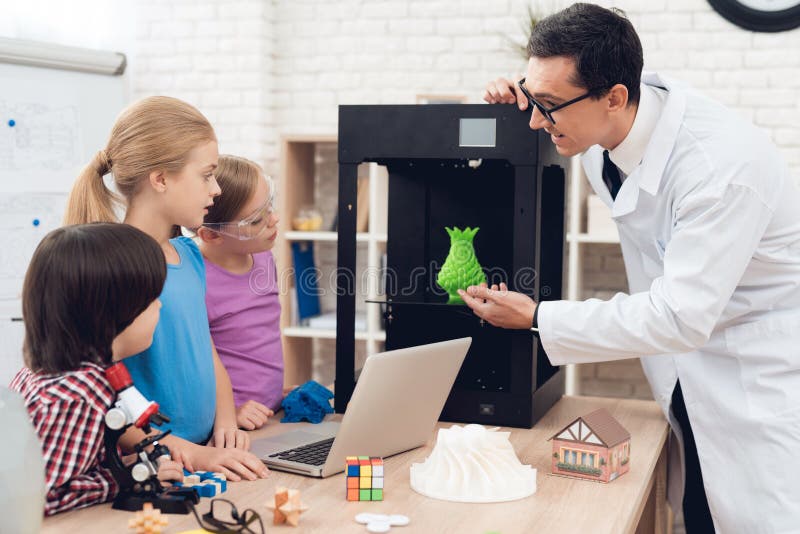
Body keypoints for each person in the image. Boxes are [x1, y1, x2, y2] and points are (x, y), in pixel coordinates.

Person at [463, 4, 800, 533]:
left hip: (753, 375)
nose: (535, 120)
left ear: (615, 97)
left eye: (546, 106)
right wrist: (522, 100)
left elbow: (680, 317)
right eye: (534, 99)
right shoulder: (604, 128)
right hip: (686, 373)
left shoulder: (720, 167)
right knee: (696, 510)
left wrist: (538, 318)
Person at [63, 96, 268, 482]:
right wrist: (193, 453)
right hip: (158, 461)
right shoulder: (115, 266)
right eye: (206, 175)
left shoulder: (189, 255)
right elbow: (98, 387)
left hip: (204, 451)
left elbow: (205, 347)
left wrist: (226, 421)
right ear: (160, 179)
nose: (217, 189)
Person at [9, 223, 184, 515]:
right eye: (152, 299)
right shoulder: (76, 397)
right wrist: (124, 479)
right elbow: (40, 496)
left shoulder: (57, 372)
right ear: (114, 312)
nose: (160, 307)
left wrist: (125, 465)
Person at [195, 155, 283, 430]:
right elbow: (193, 367)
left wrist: (275, 391)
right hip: (231, 424)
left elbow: (258, 339)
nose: (274, 219)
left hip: (270, 415)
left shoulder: (263, 256)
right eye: (257, 220)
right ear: (211, 236)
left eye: (270, 206)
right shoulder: (196, 279)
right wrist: (230, 411)